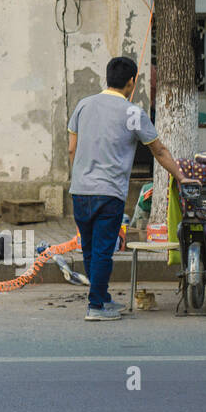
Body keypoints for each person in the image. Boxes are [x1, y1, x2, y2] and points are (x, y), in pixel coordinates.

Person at [67, 56, 189, 321]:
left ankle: (102, 297)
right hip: (109, 193)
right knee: (102, 251)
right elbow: (159, 150)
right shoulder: (133, 113)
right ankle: (96, 306)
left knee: (89, 248)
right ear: (132, 81)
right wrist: (181, 177)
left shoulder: (83, 105)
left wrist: (79, 176)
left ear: (107, 77)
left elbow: (71, 149)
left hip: (79, 191)